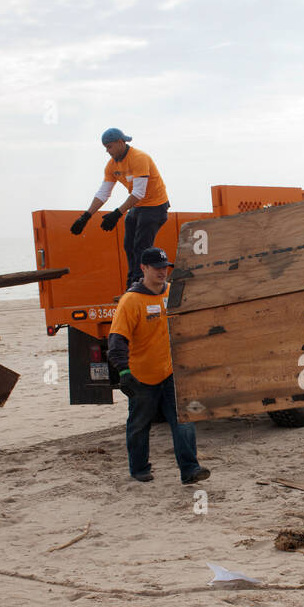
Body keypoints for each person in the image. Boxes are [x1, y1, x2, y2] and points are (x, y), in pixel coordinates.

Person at [107, 247, 210, 484]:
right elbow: (116, 341)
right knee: (139, 424)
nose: (162, 272)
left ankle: (190, 470)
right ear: (143, 268)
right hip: (141, 375)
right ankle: (139, 468)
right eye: (157, 268)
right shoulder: (131, 301)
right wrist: (124, 372)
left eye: (165, 267)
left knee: (183, 420)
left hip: (170, 372)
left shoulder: (172, 293)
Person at [69, 128, 170, 289]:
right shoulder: (111, 165)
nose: (107, 151)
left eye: (109, 146)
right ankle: (133, 281)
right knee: (128, 244)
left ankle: (140, 283)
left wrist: (116, 214)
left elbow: (138, 193)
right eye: (105, 147)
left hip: (155, 206)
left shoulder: (139, 158)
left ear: (120, 143)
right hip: (138, 206)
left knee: (141, 245)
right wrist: (85, 217)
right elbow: (103, 193)